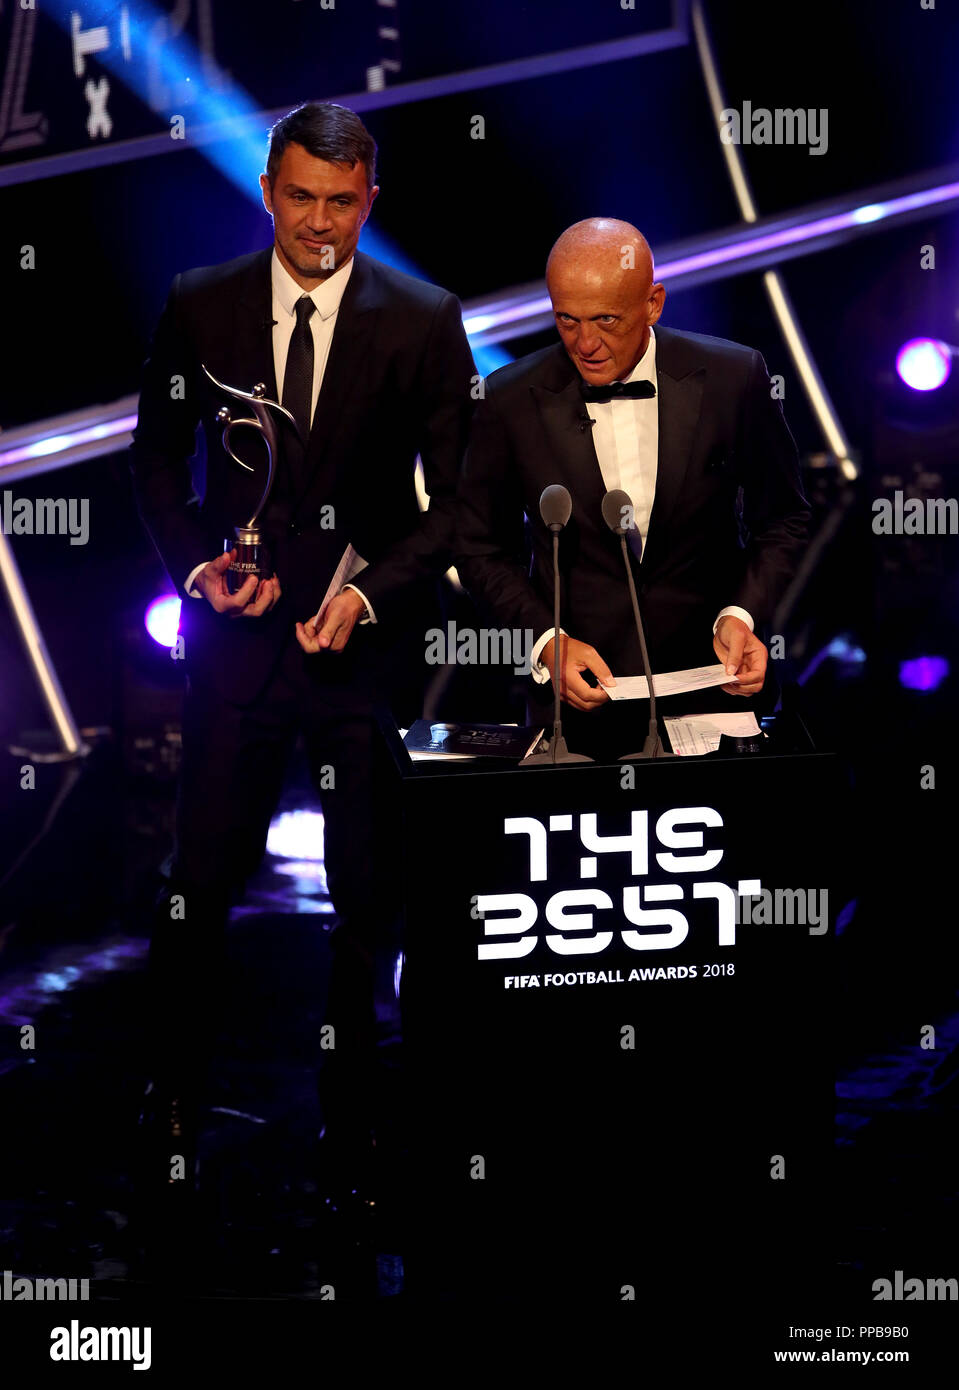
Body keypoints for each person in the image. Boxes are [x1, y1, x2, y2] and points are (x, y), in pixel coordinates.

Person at [129, 101, 475, 1223]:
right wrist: (198, 572)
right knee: (197, 886)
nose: (319, 224)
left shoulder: (422, 320)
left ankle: (355, 1109)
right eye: (300, 198)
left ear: (370, 200)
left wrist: (370, 591)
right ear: (267, 192)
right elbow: (152, 460)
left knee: (367, 897)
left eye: (342, 202)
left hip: (357, 656)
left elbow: (460, 506)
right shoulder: (201, 304)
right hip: (234, 652)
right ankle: (170, 1095)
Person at [456, 218, 810, 759]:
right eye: (567, 321)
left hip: (714, 689)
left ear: (654, 303)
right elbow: (479, 546)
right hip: (576, 705)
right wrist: (547, 643)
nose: (586, 343)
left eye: (606, 320)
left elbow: (783, 518)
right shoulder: (509, 398)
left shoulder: (734, 377)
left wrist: (743, 614)